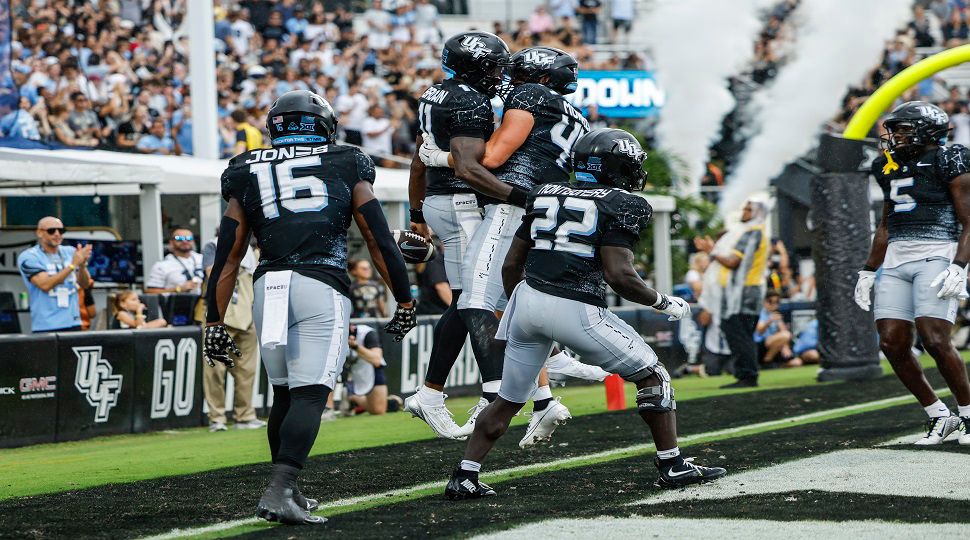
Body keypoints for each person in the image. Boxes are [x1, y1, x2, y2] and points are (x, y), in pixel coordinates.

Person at [444, 129, 726, 499]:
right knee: (653, 375)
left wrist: (521, 307)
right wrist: (662, 301)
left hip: (527, 299)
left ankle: (465, 475)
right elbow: (619, 275)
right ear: (617, 168)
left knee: (509, 399)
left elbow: (512, 264)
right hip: (576, 306)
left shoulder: (545, 192)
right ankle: (672, 465)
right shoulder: (623, 202)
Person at [203, 90, 416, 525]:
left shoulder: (244, 167)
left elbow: (228, 254)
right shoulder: (346, 161)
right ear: (324, 125)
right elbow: (375, 237)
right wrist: (406, 297)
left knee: (285, 391)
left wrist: (212, 320)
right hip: (320, 284)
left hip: (270, 287)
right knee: (312, 392)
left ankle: (288, 488)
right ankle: (280, 488)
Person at [417, 46, 592, 444]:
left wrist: (441, 157)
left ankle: (494, 395)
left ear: (541, 79)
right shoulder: (575, 115)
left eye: (517, 71)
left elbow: (492, 158)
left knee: (476, 301)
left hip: (511, 208)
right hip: (544, 209)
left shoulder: (528, 96)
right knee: (512, 299)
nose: (506, 78)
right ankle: (546, 394)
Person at [403, 31, 513, 440]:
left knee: (468, 298)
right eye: (492, 66)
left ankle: (430, 394)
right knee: (476, 297)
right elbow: (470, 165)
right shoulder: (468, 100)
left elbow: (419, 159)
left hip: (441, 200)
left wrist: (416, 212)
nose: (498, 74)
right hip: (461, 202)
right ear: (472, 66)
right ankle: (493, 389)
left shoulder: (437, 94)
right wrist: (523, 195)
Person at [855, 100, 970, 446]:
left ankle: (968, 413)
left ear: (927, 131)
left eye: (903, 130)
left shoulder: (950, 158)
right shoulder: (886, 166)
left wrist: (960, 266)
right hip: (895, 259)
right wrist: (868, 270)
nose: (896, 137)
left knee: (934, 337)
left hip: (938, 253)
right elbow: (886, 224)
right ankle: (939, 415)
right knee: (891, 342)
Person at [694, 199, 770, 388]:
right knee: (741, 332)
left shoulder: (753, 233)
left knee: (737, 331)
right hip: (747, 291)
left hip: (743, 292)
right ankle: (747, 374)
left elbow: (733, 261)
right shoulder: (754, 232)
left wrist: (712, 251)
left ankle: (747, 376)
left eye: (749, 209)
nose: (743, 212)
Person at [201, 235, 264, 432]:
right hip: (219, 316)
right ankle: (217, 418)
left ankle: (244, 416)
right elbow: (213, 274)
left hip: (247, 315)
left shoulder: (253, 251)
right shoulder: (213, 245)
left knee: (247, 371)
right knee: (214, 371)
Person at [17, 217, 92, 333]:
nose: (57, 234)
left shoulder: (70, 251)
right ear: (39, 233)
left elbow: (85, 284)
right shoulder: (29, 257)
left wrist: (82, 265)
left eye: (61, 231)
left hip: (73, 321)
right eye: (51, 230)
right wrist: (72, 265)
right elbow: (45, 285)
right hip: (47, 325)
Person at [145, 228, 204, 294]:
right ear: (171, 242)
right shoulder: (162, 265)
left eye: (189, 238)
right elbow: (150, 292)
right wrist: (178, 289)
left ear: (193, 241)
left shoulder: (203, 259)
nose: (185, 241)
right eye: (179, 238)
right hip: (177, 302)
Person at [346, 323, 389, 415]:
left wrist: (355, 347)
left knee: (378, 410)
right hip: (353, 371)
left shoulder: (366, 333)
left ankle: (352, 398)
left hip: (371, 369)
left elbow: (377, 360)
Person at [754, 290, 798, 367]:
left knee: (797, 362)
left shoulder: (776, 314)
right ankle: (767, 361)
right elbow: (759, 331)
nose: (774, 304)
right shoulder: (761, 313)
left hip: (774, 346)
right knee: (785, 335)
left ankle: (777, 364)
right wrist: (769, 321)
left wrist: (785, 346)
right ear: (764, 302)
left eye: (777, 302)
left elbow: (784, 332)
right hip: (759, 345)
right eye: (770, 301)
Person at [415, 243, 451, 315]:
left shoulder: (438, 257)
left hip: (435, 312)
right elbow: (441, 287)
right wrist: (458, 310)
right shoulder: (436, 258)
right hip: (434, 313)